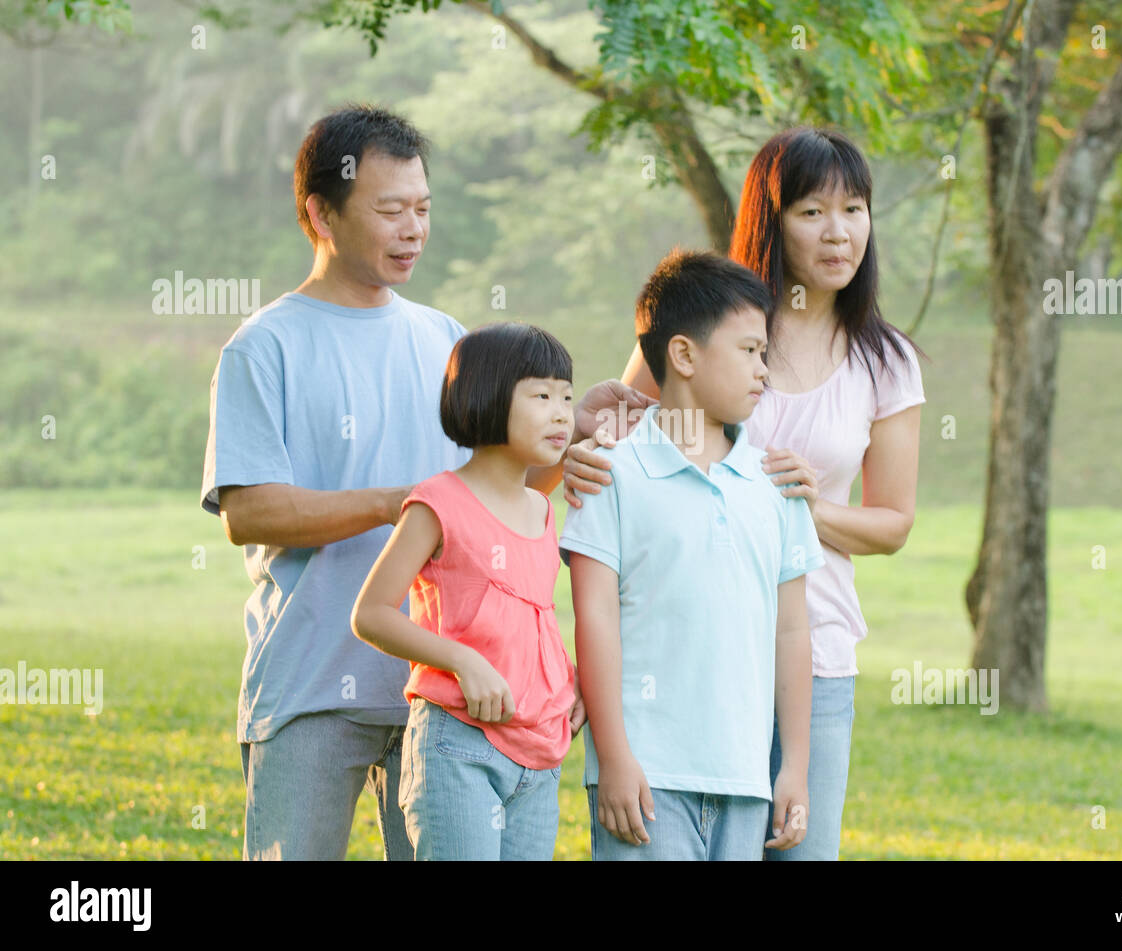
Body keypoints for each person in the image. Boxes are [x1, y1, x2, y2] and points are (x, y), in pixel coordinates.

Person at [553, 127, 926, 860]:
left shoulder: (887, 361)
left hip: (808, 648)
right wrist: (571, 454)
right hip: (679, 651)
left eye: (855, 210)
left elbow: (893, 522)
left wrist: (802, 506)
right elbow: (614, 460)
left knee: (798, 846)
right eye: (812, 212)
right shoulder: (707, 323)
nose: (839, 232)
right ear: (770, 219)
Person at [201, 103, 549, 860]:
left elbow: (505, 483)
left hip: (445, 691)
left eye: (423, 209)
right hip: (310, 683)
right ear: (321, 213)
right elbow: (249, 510)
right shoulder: (264, 347)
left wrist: (584, 428)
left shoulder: (447, 339)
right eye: (390, 210)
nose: (413, 229)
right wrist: (400, 504)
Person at [559, 248, 826, 861]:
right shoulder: (610, 476)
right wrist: (615, 758)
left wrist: (794, 771)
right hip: (645, 782)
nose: (764, 370)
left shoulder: (774, 484)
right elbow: (595, 621)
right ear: (683, 354)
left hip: (744, 781)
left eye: (765, 353)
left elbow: (792, 631)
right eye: (749, 351)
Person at [351, 322, 585, 861]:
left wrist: (566, 681)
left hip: (539, 753)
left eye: (567, 398)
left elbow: (533, 617)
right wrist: (463, 661)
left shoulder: (545, 509)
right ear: (486, 397)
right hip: (458, 745)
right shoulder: (438, 502)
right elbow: (371, 614)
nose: (561, 413)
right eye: (542, 395)